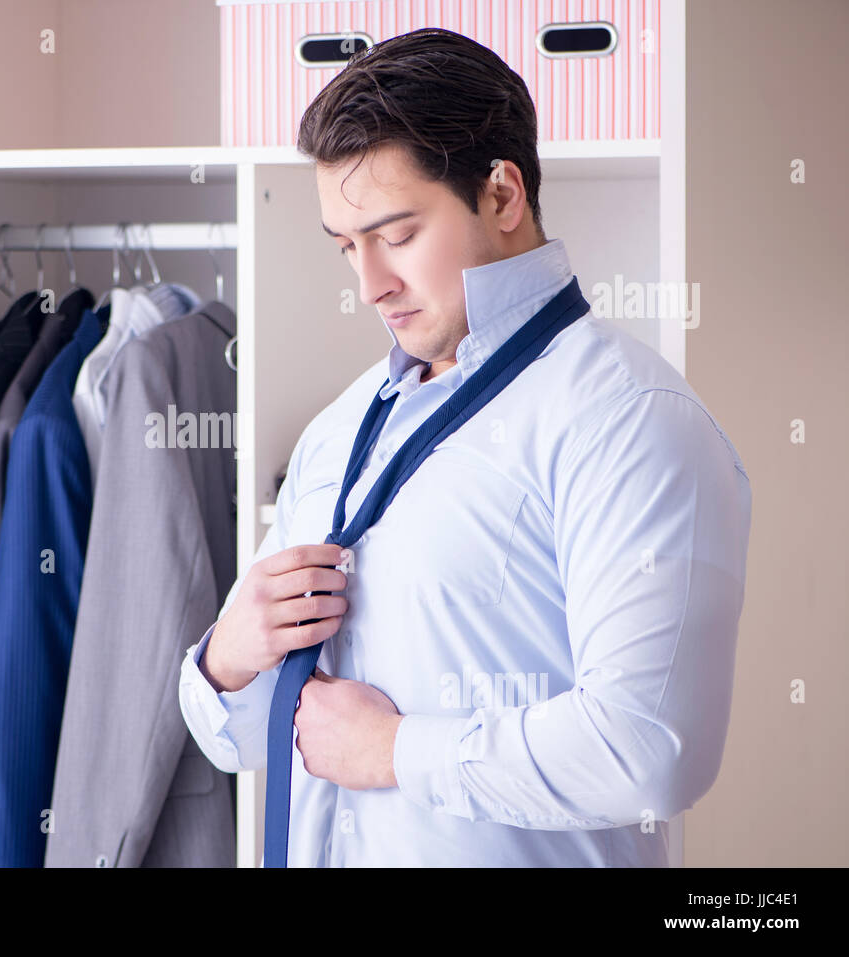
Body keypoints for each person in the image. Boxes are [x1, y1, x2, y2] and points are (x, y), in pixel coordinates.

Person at [177, 28, 752, 867]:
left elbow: (650, 750)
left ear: (503, 194)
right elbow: (245, 741)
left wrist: (397, 749)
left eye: (397, 233)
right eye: (346, 246)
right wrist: (225, 659)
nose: (369, 284)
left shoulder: (630, 420)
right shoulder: (338, 432)